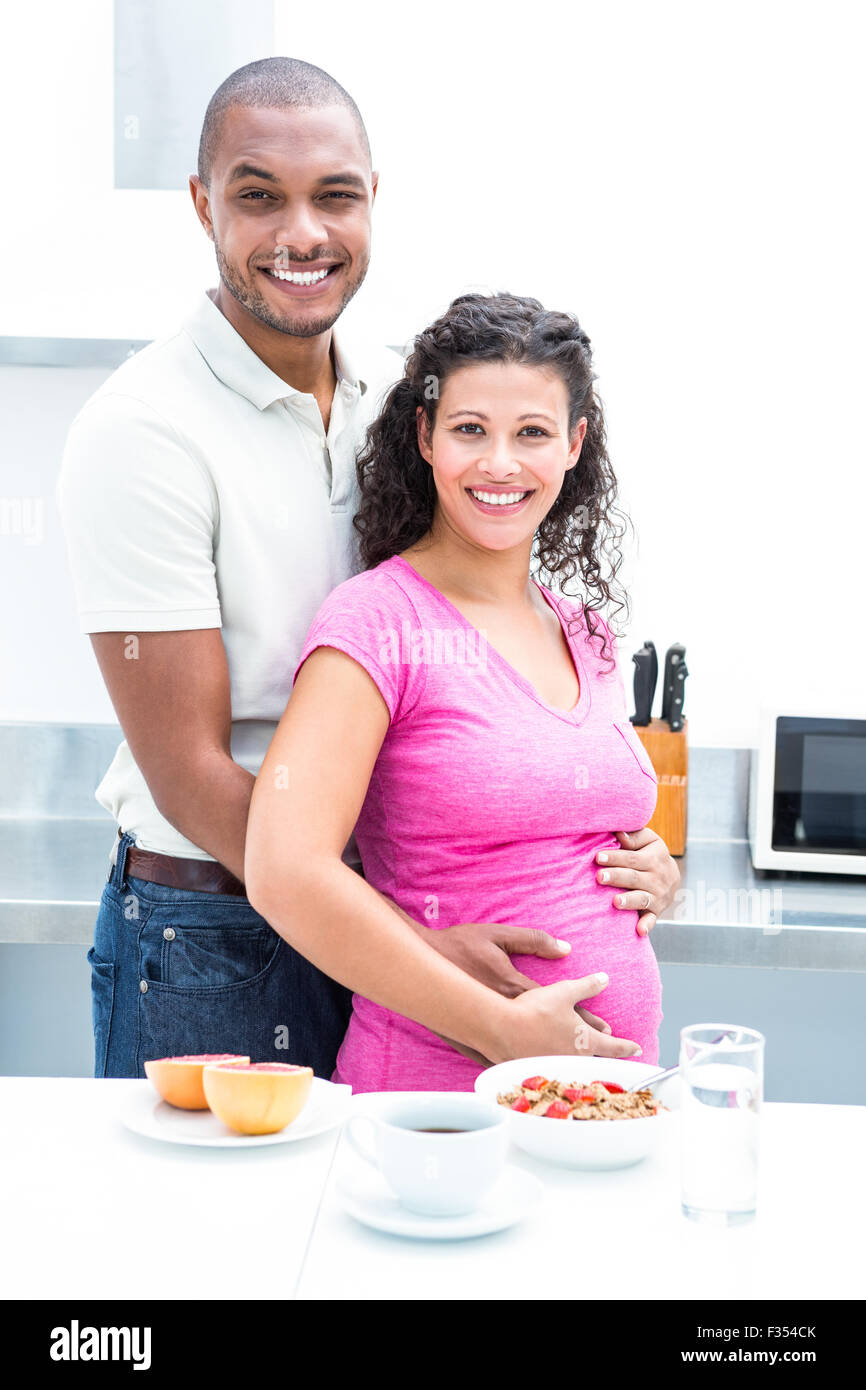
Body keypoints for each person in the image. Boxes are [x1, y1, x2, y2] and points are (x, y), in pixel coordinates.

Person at [57, 55, 678, 1080]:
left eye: (333, 196)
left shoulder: (402, 393)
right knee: (214, 1240)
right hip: (216, 927)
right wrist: (403, 940)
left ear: (372, 201)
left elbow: (464, 655)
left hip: (373, 916)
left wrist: (618, 845)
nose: (301, 233)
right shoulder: (141, 431)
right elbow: (191, 770)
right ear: (203, 203)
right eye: (258, 197)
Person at [244, 290, 671, 1092]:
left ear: (575, 445)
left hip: (605, 1104)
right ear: (425, 435)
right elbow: (284, 868)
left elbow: (573, 831)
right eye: (470, 429)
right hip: (438, 1101)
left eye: (533, 433)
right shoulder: (379, 620)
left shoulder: (585, 629)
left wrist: (654, 871)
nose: (500, 464)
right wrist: (501, 1029)